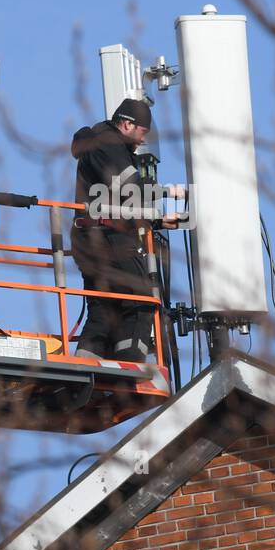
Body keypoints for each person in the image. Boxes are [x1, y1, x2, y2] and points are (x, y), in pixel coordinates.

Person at [70, 99, 179, 360]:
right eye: (143, 132)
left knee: (103, 306)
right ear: (128, 124)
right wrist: (168, 191)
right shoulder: (109, 144)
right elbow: (131, 189)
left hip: (90, 235)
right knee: (141, 300)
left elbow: (116, 201)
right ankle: (130, 365)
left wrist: (156, 222)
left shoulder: (99, 144)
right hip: (109, 238)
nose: (143, 140)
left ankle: (88, 363)